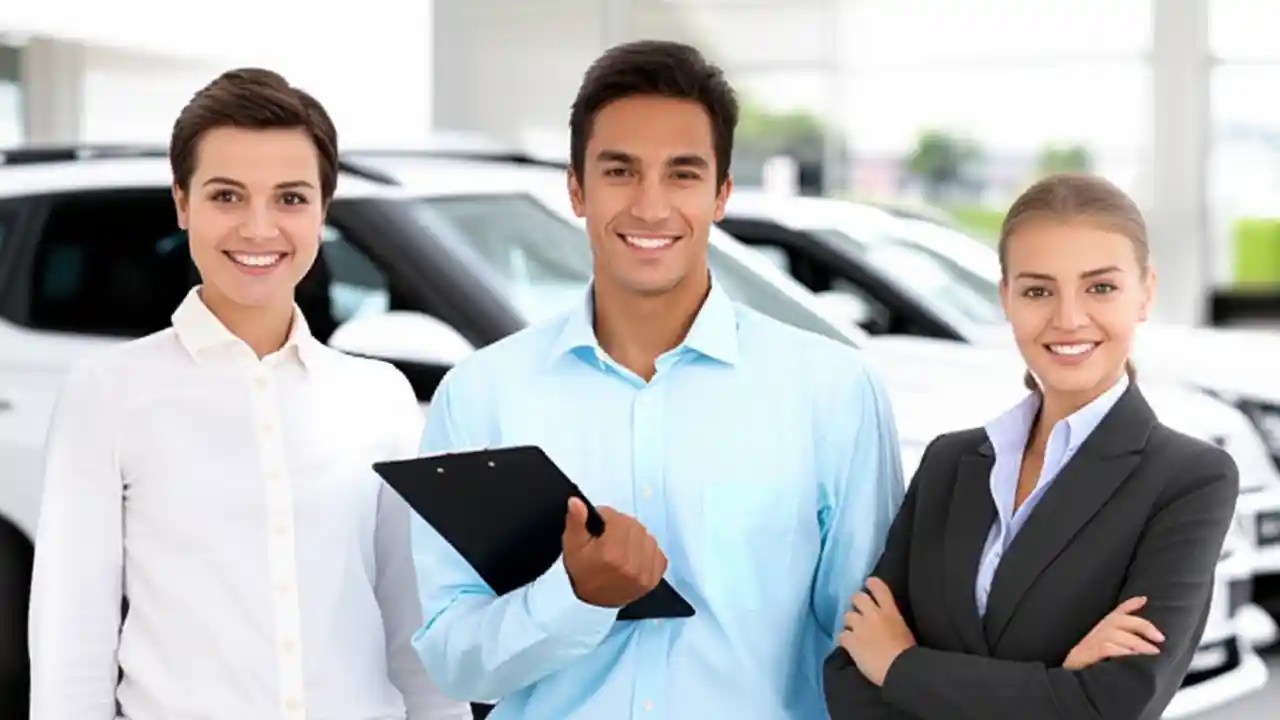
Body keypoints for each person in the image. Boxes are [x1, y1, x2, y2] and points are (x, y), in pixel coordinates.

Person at [409, 40, 904, 719]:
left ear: (721, 193)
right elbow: (452, 657)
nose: (649, 206)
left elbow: (867, 649)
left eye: (682, 174)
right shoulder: (483, 394)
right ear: (576, 188)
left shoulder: (833, 392)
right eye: (620, 171)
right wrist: (572, 596)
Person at [27, 68, 469, 720]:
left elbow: (415, 633)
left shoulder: (380, 397)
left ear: (324, 207)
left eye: (290, 198)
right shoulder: (109, 394)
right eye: (227, 196)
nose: (258, 228)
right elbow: (73, 639)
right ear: (183, 203)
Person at [823, 172, 1240, 720]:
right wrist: (1055, 685)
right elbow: (851, 678)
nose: (1068, 318)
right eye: (1038, 290)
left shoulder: (1188, 479)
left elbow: (1110, 706)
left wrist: (901, 666)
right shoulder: (950, 462)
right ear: (1006, 298)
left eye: (1100, 287)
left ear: (1145, 293)